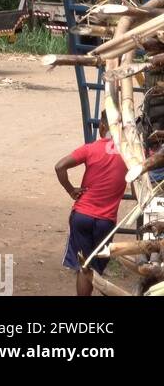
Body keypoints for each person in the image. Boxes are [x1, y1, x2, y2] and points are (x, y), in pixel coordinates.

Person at [54, 111, 127, 296]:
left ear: (102, 126)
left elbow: (59, 166)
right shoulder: (128, 151)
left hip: (82, 215)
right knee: (96, 267)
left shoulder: (90, 148)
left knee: (83, 266)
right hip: (106, 221)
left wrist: (71, 190)